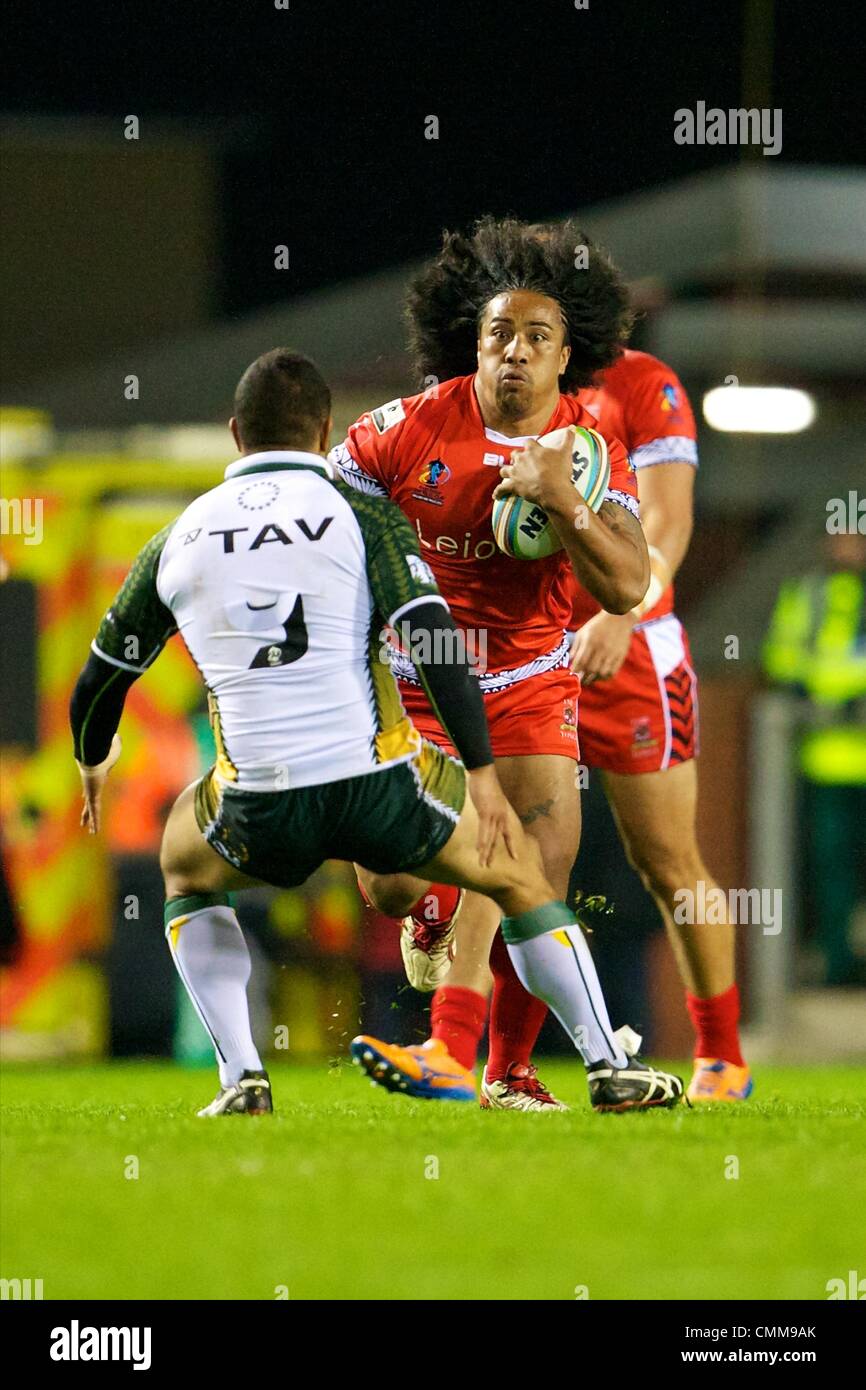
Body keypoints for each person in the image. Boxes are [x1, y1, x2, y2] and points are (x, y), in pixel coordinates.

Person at [69, 348, 683, 1114]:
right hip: (374, 789)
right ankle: (605, 1066)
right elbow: (435, 647)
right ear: (324, 431)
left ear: (234, 434)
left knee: (182, 864)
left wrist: (93, 762)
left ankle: (243, 1082)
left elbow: (99, 682)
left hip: (256, 804)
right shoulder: (361, 520)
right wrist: (484, 779)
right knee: (519, 868)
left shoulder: (178, 540)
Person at [331, 218, 669, 1108]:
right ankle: (433, 913)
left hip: (528, 683)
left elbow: (629, 584)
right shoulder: (399, 431)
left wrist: (565, 505)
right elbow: (323, 527)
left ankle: (501, 1071)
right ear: (470, 346)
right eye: (499, 335)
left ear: (568, 357)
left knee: (531, 867)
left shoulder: (591, 452)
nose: (515, 351)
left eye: (537, 338)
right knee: (394, 890)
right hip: (413, 684)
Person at [386, 348, 753, 1106]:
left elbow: (667, 521)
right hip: (519, 653)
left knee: (667, 861)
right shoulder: (477, 399)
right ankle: (500, 1065)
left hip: (626, 651)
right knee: (516, 850)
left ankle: (721, 1057)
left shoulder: (643, 386)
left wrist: (633, 610)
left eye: (544, 324)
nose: (520, 346)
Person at [763, 527, 866, 985]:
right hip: (825, 760)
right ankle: (838, 962)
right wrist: (812, 691)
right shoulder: (807, 594)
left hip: (845, 752)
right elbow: (782, 658)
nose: (846, 549)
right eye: (840, 539)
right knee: (830, 871)